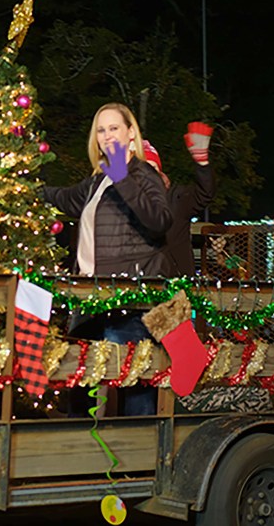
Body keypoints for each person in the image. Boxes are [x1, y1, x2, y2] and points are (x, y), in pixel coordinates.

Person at [42, 102, 172, 416]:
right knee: (77, 386)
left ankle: (138, 463)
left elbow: (160, 221)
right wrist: (25, 188)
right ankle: (82, 459)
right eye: (101, 130)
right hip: (89, 301)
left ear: (130, 134)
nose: (107, 135)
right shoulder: (96, 182)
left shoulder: (144, 175)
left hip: (128, 304)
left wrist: (123, 177)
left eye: (114, 128)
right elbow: (64, 198)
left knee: (132, 391)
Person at [145, 121, 216, 278]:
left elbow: (204, 194)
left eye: (153, 168)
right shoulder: (126, 202)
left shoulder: (176, 198)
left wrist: (202, 162)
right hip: (138, 286)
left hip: (177, 284)